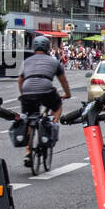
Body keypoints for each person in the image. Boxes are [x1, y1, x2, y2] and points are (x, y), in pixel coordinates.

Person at [16, 35, 72, 167]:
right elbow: (63, 80)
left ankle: (28, 153)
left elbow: (20, 80)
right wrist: (67, 94)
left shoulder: (26, 61)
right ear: (48, 48)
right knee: (57, 106)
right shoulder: (54, 62)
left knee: (29, 119)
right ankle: (51, 125)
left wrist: (24, 94)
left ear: (34, 47)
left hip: (27, 91)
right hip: (46, 90)